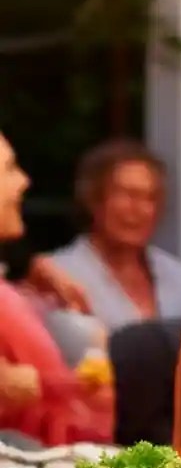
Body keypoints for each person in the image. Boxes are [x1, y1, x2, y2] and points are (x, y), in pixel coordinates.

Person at [0, 131, 113, 445]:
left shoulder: (20, 284)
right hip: (49, 456)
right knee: (168, 346)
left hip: (88, 439)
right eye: (9, 169)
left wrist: (32, 271)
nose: (24, 181)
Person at [49, 139, 181, 331]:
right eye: (128, 195)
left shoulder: (178, 276)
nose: (139, 209)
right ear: (94, 200)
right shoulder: (59, 274)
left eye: (150, 198)